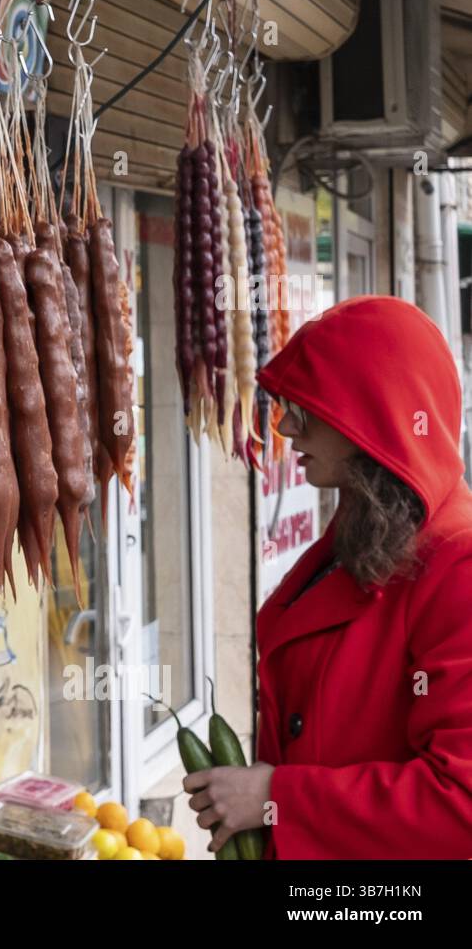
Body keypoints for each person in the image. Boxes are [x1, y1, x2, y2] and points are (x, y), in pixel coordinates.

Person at [182, 295, 472, 859]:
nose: (287, 424)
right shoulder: (372, 520)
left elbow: (460, 803)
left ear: (373, 414)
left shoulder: (458, 563)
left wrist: (275, 797)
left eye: (308, 407)